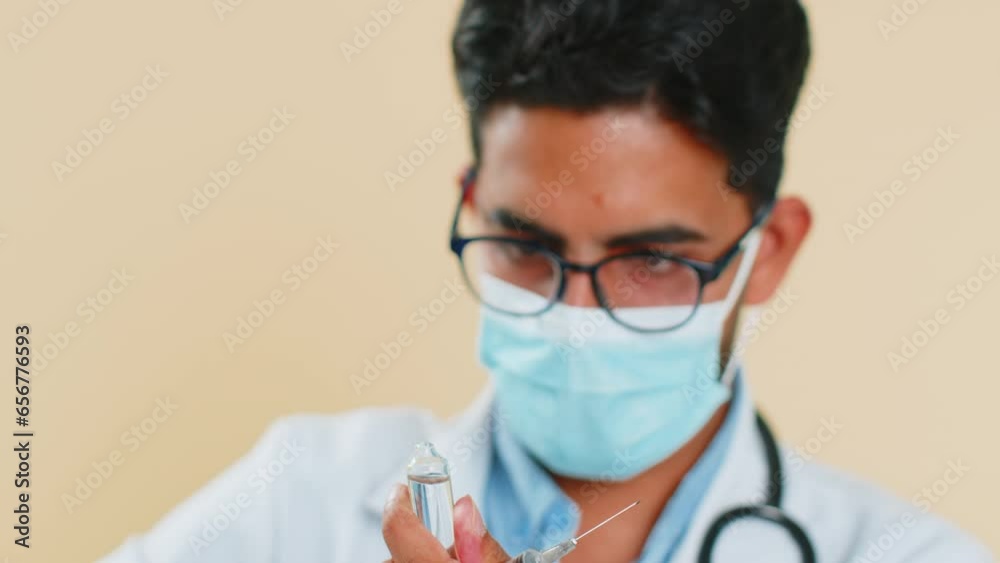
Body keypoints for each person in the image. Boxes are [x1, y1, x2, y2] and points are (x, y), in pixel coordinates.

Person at [101, 0, 993, 561]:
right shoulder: (300, 495)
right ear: (473, 203)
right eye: (525, 245)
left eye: (651, 259)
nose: (572, 315)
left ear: (773, 249)